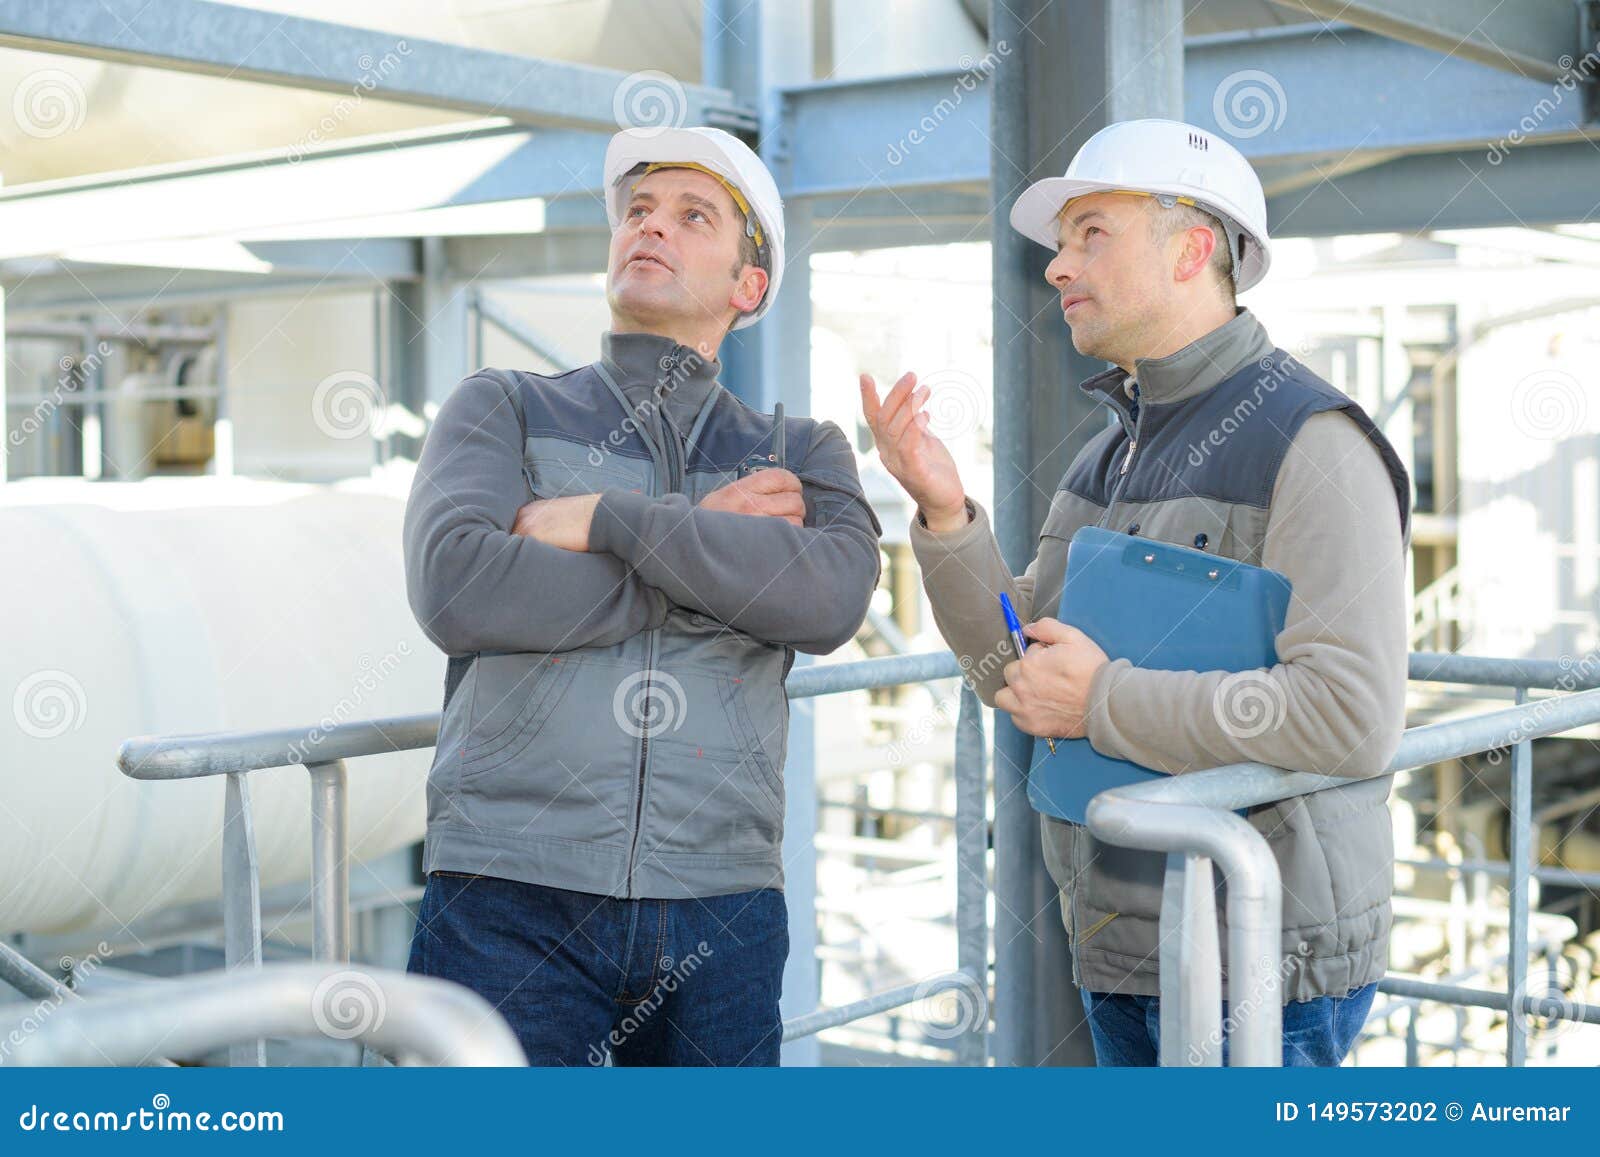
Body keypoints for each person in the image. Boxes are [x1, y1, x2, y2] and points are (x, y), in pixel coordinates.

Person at [861, 118, 1410, 1067]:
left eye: (1091, 235)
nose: (1057, 268)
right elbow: (1015, 667)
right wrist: (947, 516)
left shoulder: (1316, 445)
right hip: (1122, 944)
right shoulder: (1108, 453)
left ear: (1194, 248)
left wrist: (1103, 701)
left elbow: (1349, 716)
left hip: (1261, 961)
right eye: (1062, 242)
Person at [403, 126, 882, 1066]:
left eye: (692, 215)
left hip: (722, 901)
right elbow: (459, 587)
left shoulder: (803, 449)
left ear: (751, 287)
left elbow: (828, 602)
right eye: (638, 211)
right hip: (506, 887)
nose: (649, 227)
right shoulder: (502, 404)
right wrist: (716, 546)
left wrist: (613, 519)